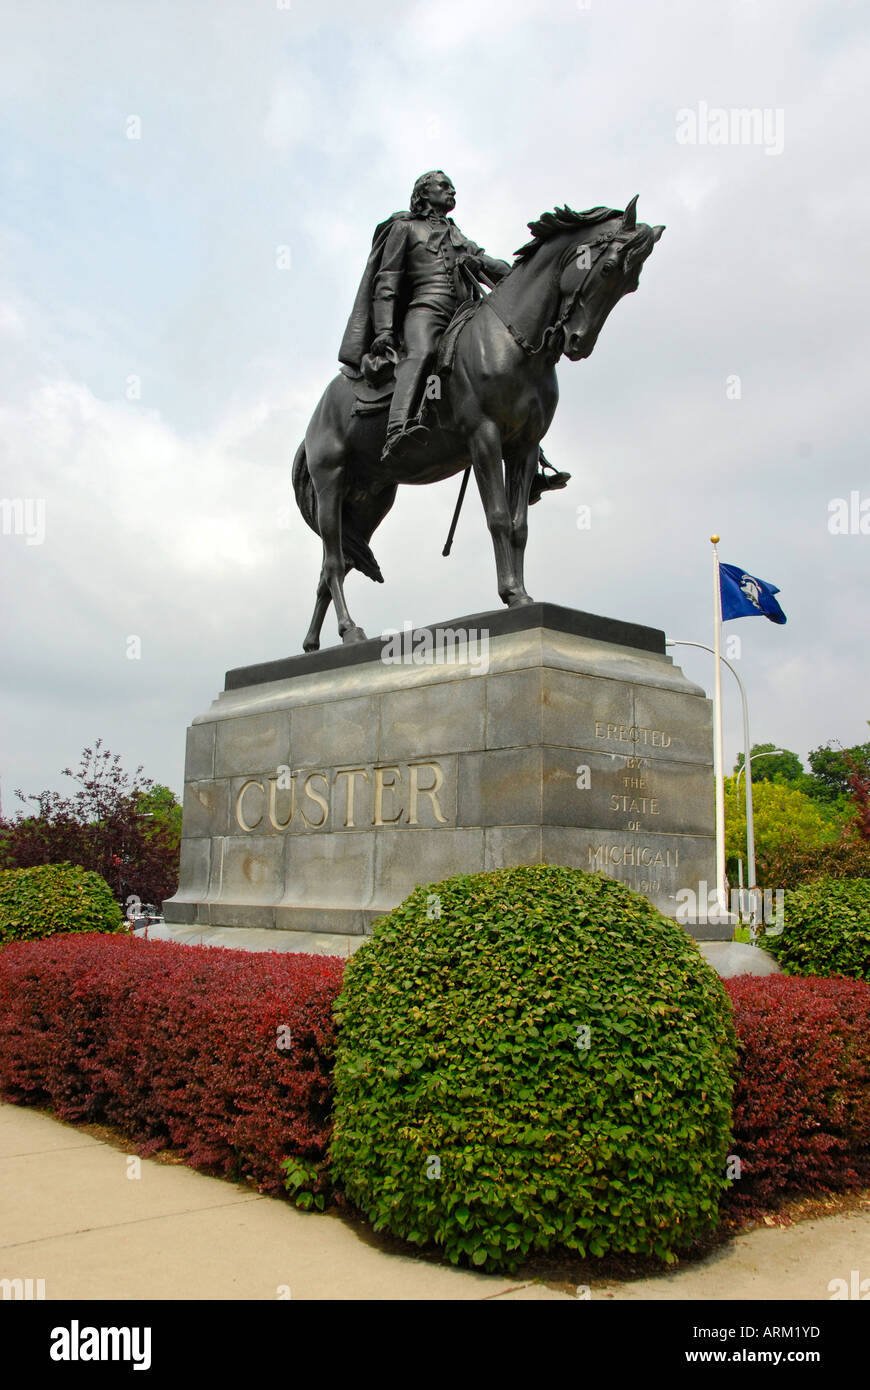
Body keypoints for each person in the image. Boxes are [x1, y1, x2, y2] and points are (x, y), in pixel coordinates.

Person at [338, 171, 511, 461]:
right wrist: (383, 330)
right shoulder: (404, 228)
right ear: (423, 193)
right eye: (443, 186)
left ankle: (527, 450)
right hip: (425, 310)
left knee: (496, 361)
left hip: (461, 315)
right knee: (422, 352)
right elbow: (388, 279)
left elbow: (497, 268)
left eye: (452, 186)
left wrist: (482, 262)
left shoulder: (456, 234)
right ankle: (396, 431)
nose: (452, 190)